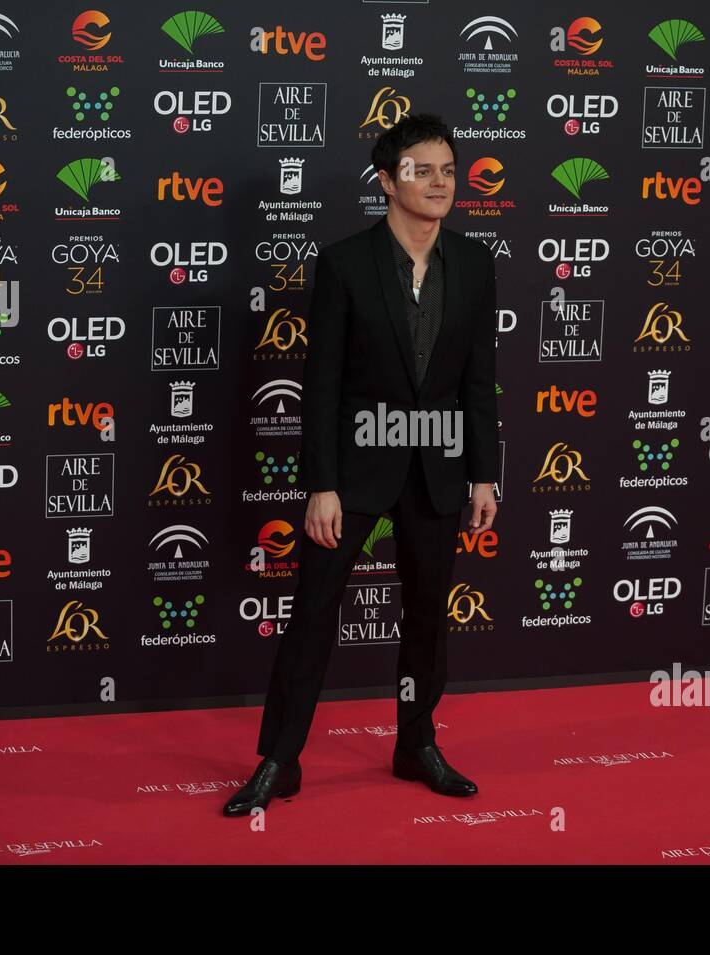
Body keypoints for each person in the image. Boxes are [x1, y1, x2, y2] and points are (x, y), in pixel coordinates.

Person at [224, 112, 500, 816]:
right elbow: (319, 384)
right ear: (387, 179)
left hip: (437, 467)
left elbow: (477, 379)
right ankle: (280, 759)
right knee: (314, 611)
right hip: (353, 470)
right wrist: (321, 482)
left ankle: (415, 743)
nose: (438, 183)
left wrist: (483, 472)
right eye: (420, 170)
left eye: (447, 169)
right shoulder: (346, 262)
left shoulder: (473, 263)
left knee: (428, 616)